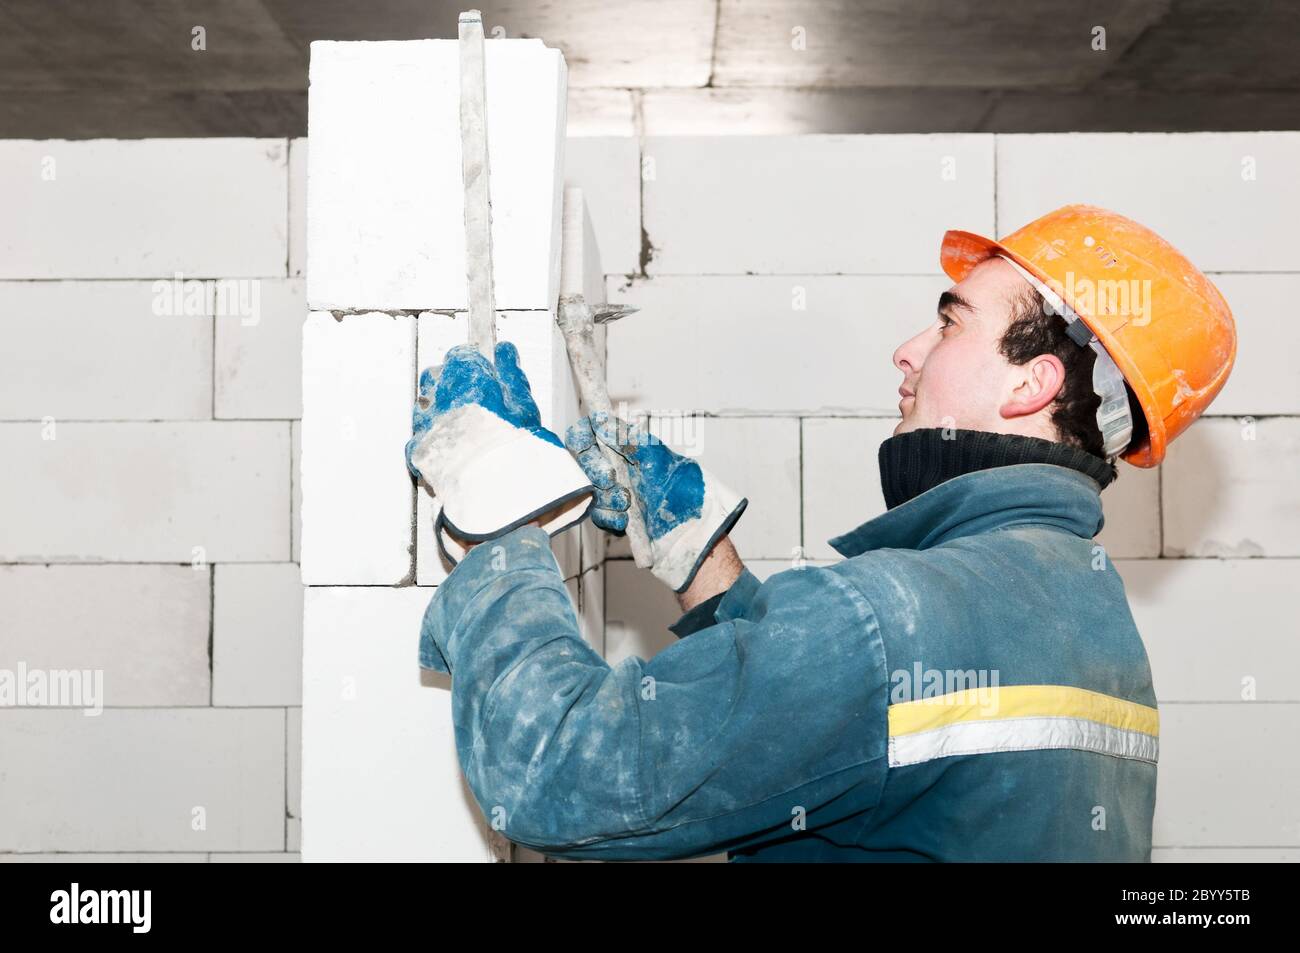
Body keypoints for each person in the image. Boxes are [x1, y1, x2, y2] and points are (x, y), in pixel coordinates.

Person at [405, 204, 1236, 861]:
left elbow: (560, 774)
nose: (906, 352)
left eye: (949, 324)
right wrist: (704, 560)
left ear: (1032, 382)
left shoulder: (893, 614)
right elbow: (858, 733)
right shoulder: (1090, 616)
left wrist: (501, 513)